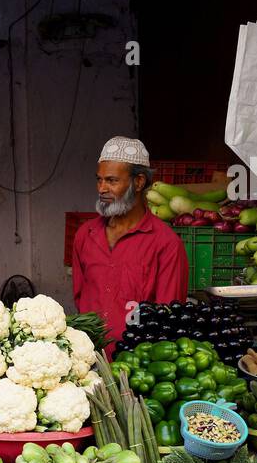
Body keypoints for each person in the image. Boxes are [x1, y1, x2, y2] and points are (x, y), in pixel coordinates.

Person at [71, 136, 188, 349]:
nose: (102, 188)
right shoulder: (85, 235)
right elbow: (80, 296)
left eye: (112, 180)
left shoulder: (166, 243)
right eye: (99, 179)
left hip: (136, 366)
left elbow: (169, 316)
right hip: (89, 362)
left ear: (139, 182)